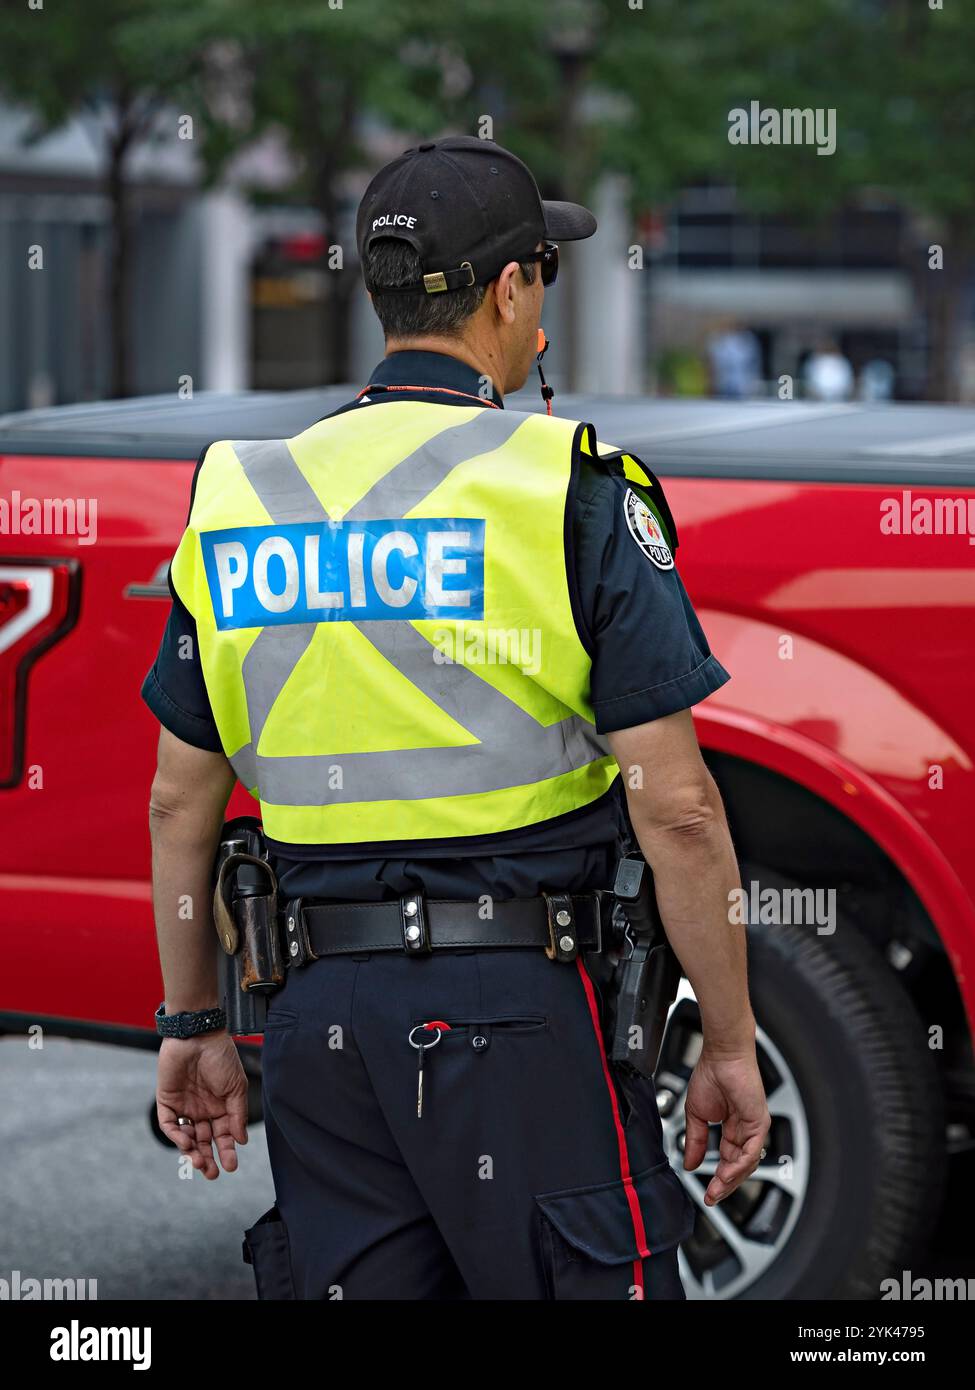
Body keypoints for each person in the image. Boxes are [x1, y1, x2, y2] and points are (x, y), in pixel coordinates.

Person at [142, 135, 769, 1301]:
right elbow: (678, 809)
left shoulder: (237, 495)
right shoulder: (567, 492)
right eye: (544, 278)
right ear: (510, 289)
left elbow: (182, 796)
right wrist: (728, 1043)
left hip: (320, 1023)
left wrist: (191, 1020)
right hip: (525, 1013)